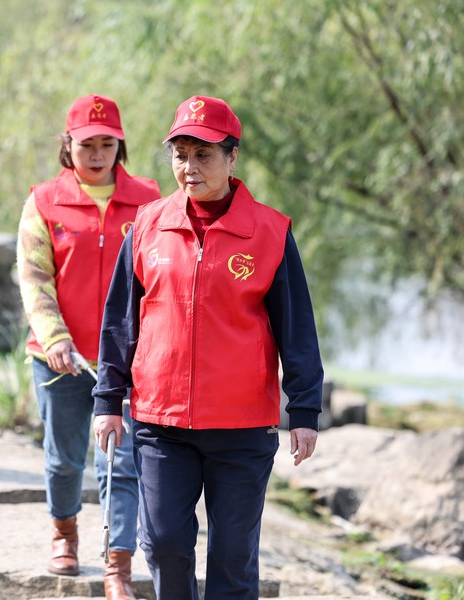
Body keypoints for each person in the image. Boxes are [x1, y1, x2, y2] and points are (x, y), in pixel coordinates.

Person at [92, 95, 324, 599]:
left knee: (232, 556)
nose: (190, 168)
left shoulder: (270, 232)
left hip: (242, 426)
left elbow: (297, 328)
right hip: (160, 424)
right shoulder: (148, 225)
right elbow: (120, 324)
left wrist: (304, 409)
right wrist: (108, 402)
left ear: (232, 157)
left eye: (205, 155)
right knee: (165, 543)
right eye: (180, 155)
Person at [17, 94, 160, 599]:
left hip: (125, 363)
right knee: (64, 459)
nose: (97, 154)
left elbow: (157, 279)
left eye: (107, 144)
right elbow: (35, 279)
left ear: (120, 146)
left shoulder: (149, 201)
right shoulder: (43, 201)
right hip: (60, 360)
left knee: (121, 463)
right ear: (68, 146)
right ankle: (64, 531)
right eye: (86, 145)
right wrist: (54, 337)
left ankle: (117, 565)